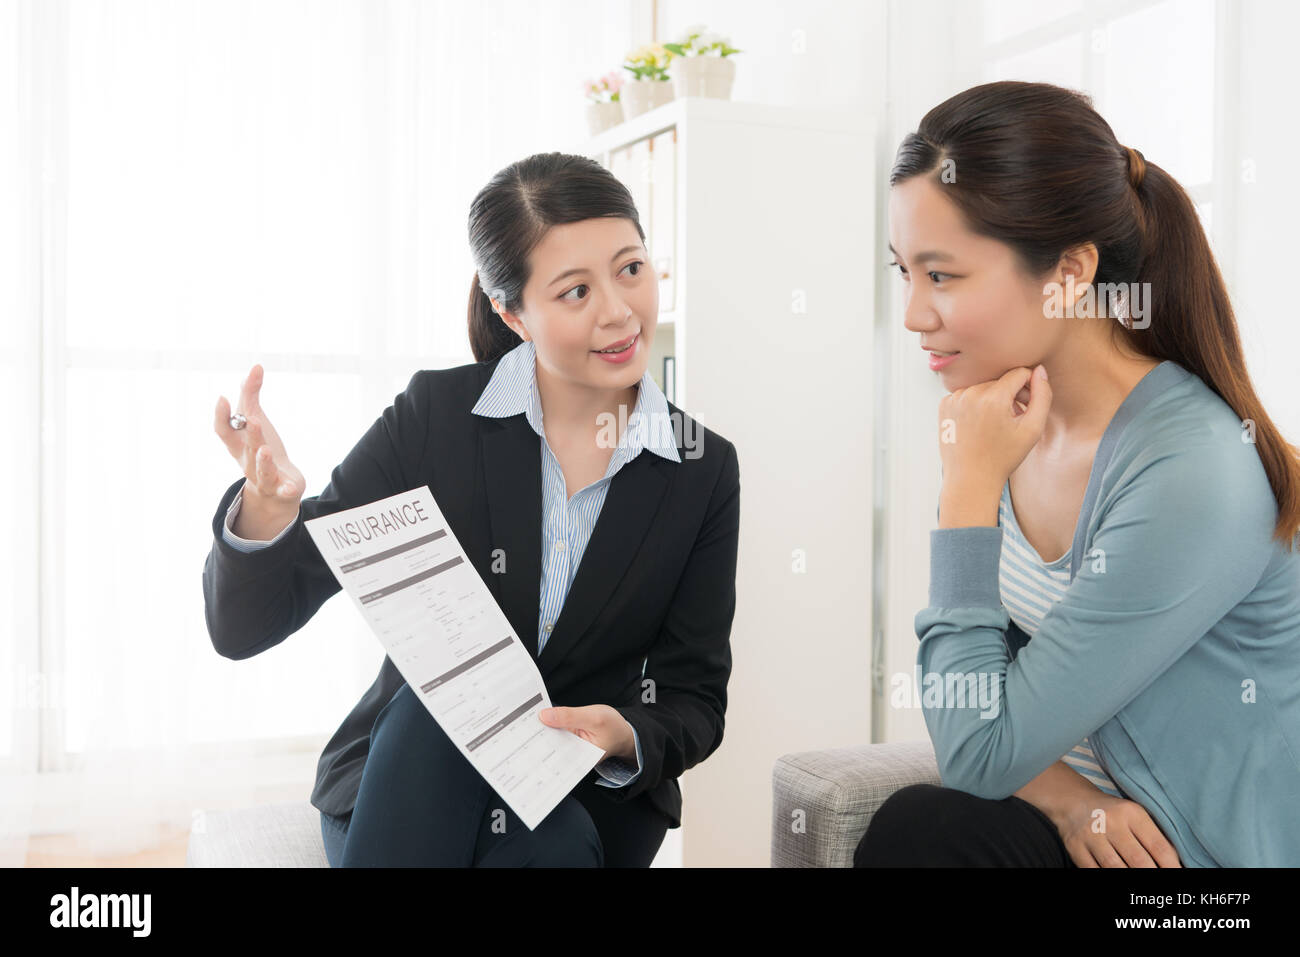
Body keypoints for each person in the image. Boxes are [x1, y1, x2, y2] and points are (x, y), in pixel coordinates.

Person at [203, 151, 741, 867]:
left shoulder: (702, 469)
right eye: (575, 291)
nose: (619, 311)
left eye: (631, 269)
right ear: (512, 312)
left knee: (549, 846)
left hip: (580, 791)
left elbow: (694, 696)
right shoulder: (436, 418)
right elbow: (244, 627)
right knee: (442, 717)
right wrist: (266, 514)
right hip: (414, 778)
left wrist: (626, 733)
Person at [857, 81, 1300, 867]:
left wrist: (964, 492)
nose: (915, 315)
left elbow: (977, 749)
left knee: (926, 833)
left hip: (1198, 868)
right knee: (923, 829)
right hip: (1100, 830)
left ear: (1069, 272)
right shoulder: (1004, 422)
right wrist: (1070, 801)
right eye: (905, 273)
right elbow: (978, 714)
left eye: (943, 275)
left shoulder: (1191, 469)